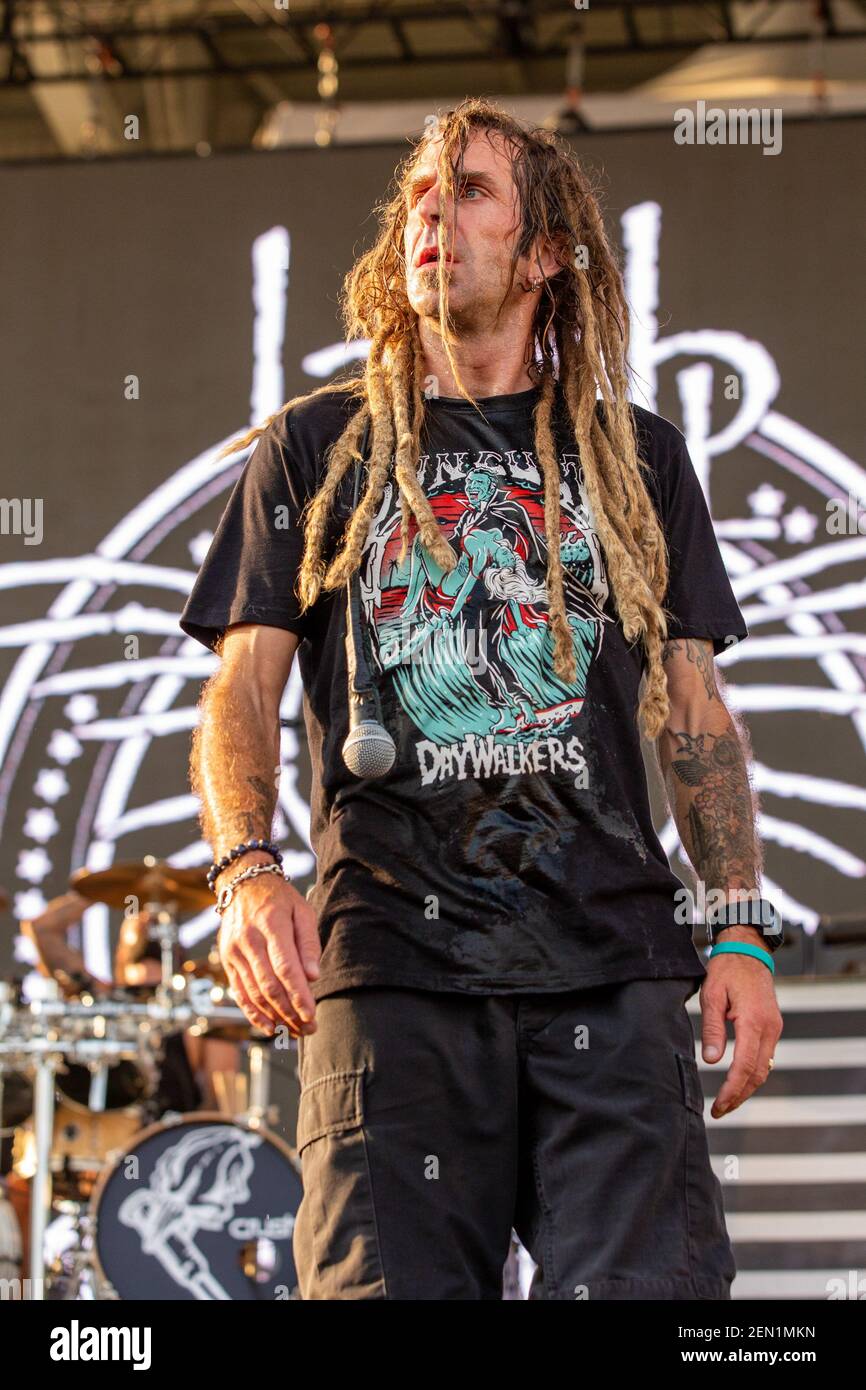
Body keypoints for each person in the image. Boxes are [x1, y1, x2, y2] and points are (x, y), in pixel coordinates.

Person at [180, 97, 783, 1301]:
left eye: (466, 192)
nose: (426, 217)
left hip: (608, 971)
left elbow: (693, 714)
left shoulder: (636, 455)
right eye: (415, 194)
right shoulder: (316, 447)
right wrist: (246, 872)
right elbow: (239, 684)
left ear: (545, 250)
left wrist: (734, 926)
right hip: (394, 968)